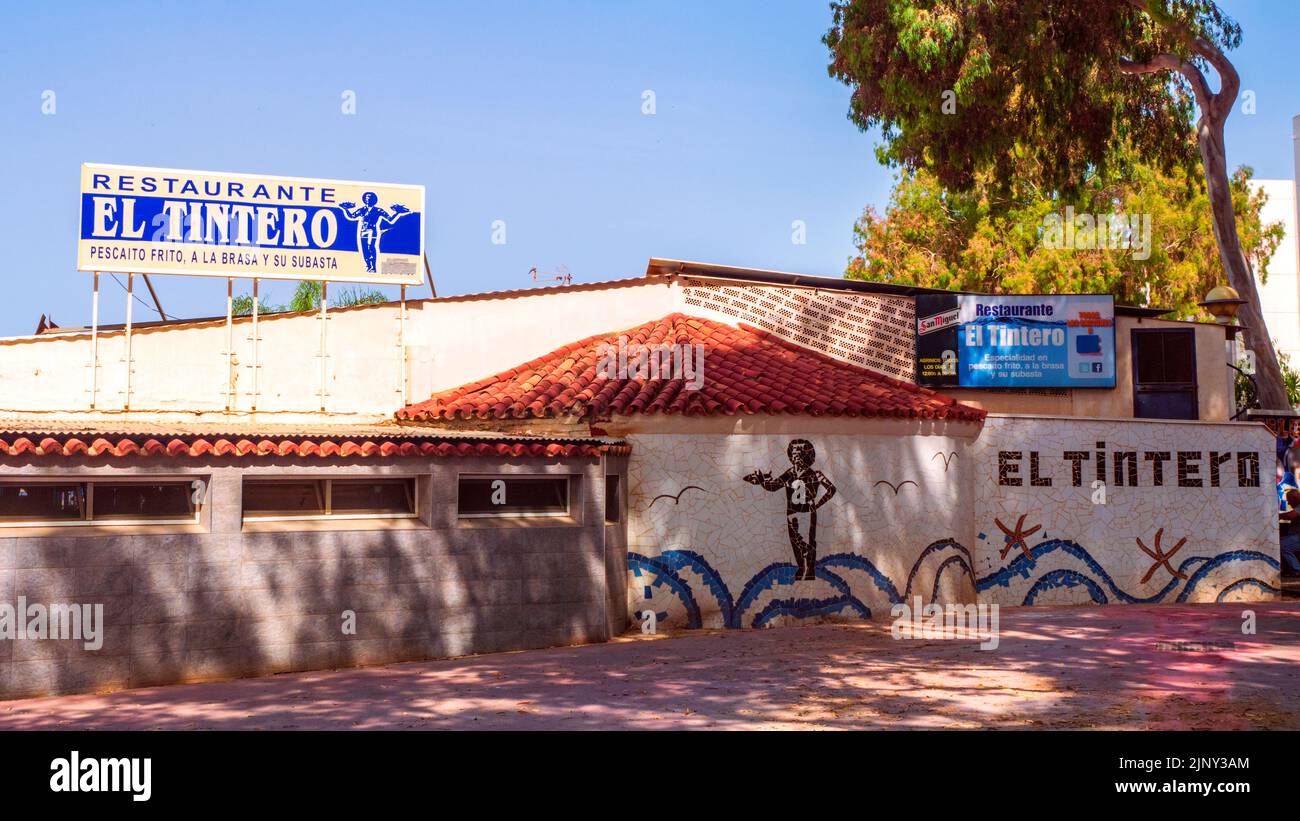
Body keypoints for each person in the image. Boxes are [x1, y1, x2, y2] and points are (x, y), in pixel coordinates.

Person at [743, 439, 837, 581]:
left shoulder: (814, 474)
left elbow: (831, 489)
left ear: (808, 455)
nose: (796, 456)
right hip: (791, 513)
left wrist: (817, 504)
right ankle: (801, 568)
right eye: (793, 453)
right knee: (795, 542)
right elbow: (773, 486)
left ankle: (809, 570)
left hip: (806, 513)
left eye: (799, 452)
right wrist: (762, 481)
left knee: (806, 542)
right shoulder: (790, 473)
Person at [337, 192, 413, 273]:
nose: (367, 200)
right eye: (366, 198)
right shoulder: (362, 210)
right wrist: (345, 209)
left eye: (369, 198)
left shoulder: (378, 210)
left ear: (373, 200)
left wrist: (398, 212)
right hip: (363, 232)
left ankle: (373, 266)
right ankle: (368, 266)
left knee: (371, 247)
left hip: (372, 231)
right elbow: (352, 216)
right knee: (364, 249)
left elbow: (390, 219)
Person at [1280, 486, 1300, 576]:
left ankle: (1296, 570)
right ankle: (1288, 569)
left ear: (1294, 498)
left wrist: (1275, 516)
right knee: (1281, 543)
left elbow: (1290, 516)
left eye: (1289, 500)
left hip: (1298, 537)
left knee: (1283, 545)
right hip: (1295, 537)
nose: (1288, 503)